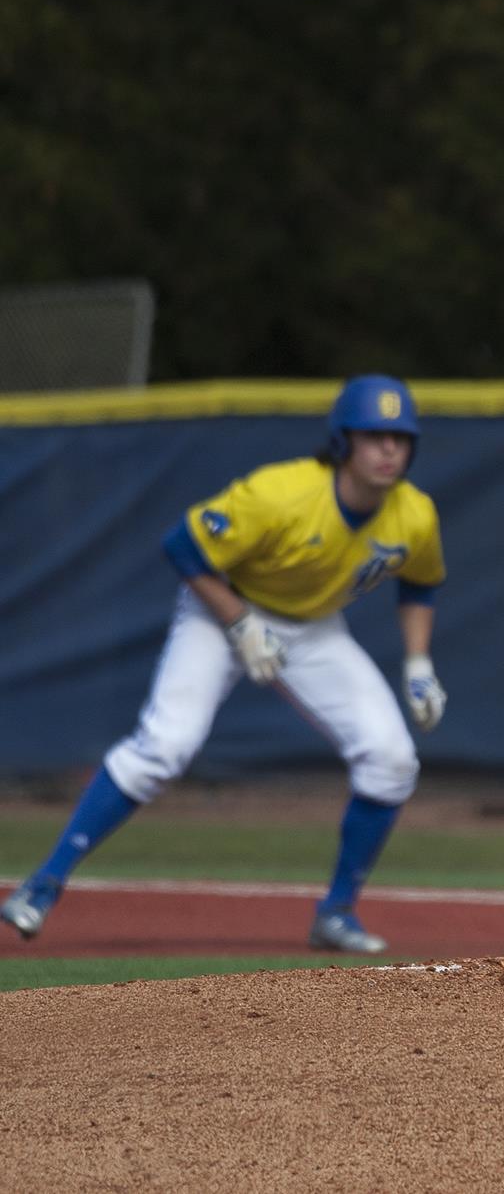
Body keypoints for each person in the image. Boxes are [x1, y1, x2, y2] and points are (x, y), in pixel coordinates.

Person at [1, 376, 449, 953]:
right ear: (343, 441)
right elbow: (182, 546)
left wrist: (418, 662)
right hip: (220, 611)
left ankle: (336, 913)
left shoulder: (414, 515)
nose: (389, 449)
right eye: (374, 436)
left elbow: (420, 584)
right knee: (166, 746)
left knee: (391, 758)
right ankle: (42, 885)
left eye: (400, 438)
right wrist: (240, 624)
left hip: (313, 629)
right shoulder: (280, 494)